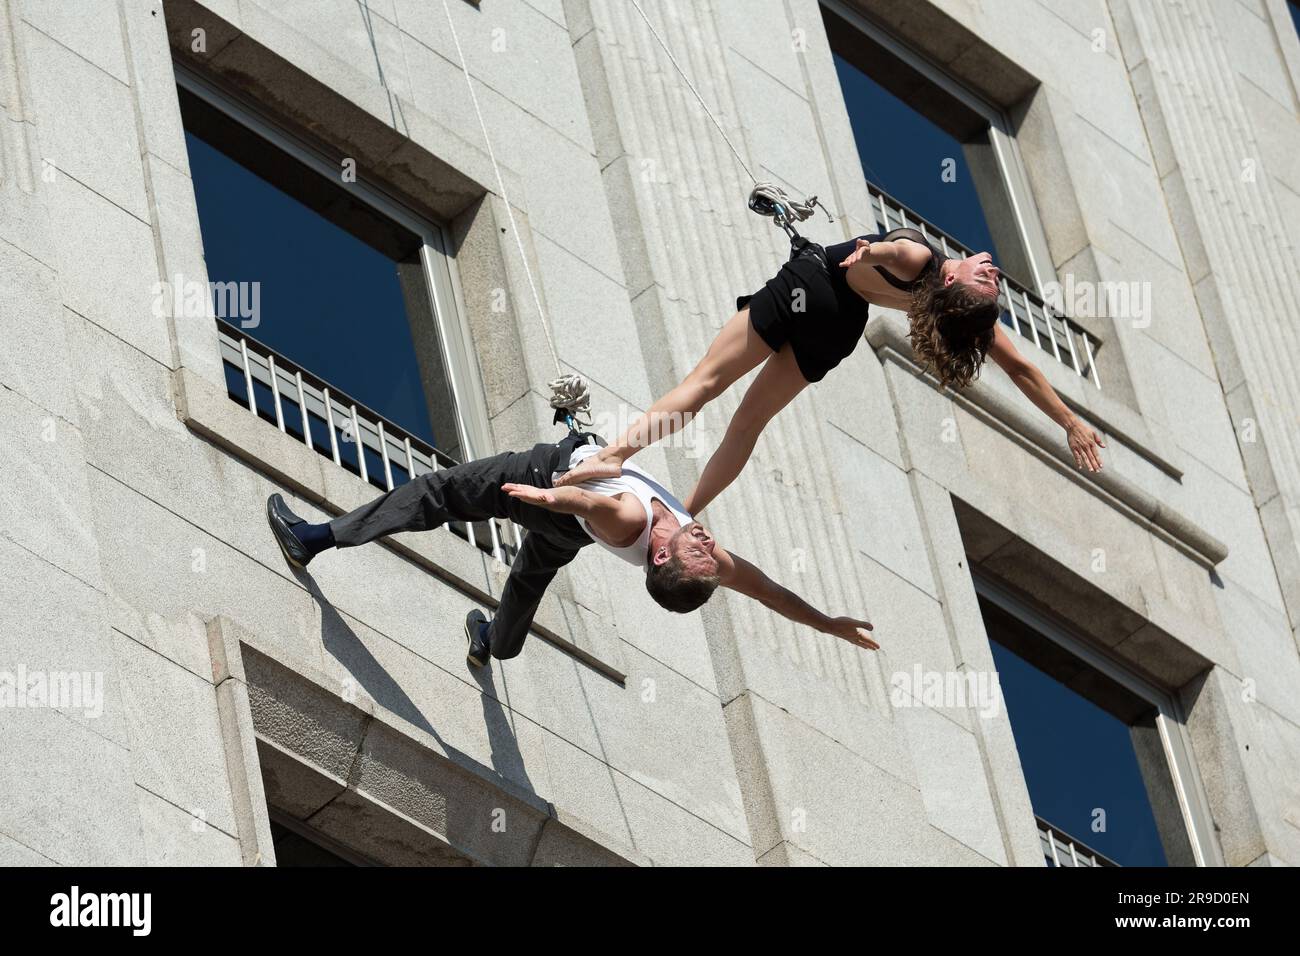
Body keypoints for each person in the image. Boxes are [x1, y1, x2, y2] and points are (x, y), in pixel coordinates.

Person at [556, 227, 1106, 514]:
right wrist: (1069, 423)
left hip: (816, 284)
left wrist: (868, 255)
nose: (995, 274)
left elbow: (893, 255)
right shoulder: (959, 312)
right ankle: (684, 512)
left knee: (703, 384)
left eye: (987, 282)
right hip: (840, 328)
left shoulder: (924, 262)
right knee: (747, 424)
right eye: (994, 281)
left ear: (954, 284)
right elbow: (1024, 371)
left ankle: (613, 456)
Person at [265, 431, 877, 668]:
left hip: (546, 485)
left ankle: (314, 539)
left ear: (661, 559)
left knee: (437, 494)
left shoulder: (633, 517)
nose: (709, 544)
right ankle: (493, 644)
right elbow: (768, 590)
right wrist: (825, 623)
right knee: (528, 581)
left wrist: (545, 488)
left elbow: (589, 504)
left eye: (699, 553)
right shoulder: (689, 546)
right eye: (709, 555)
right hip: (564, 523)